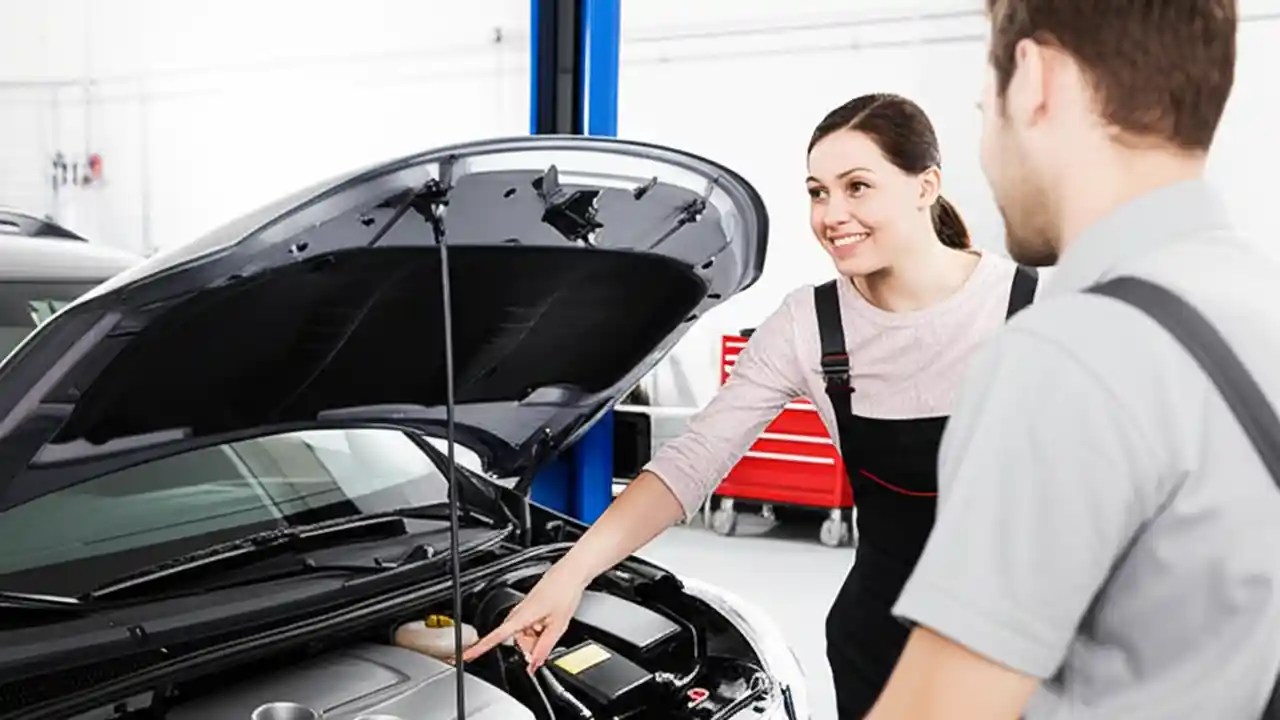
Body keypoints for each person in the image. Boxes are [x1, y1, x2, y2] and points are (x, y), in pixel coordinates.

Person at [463, 92, 1040, 718]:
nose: (832, 214)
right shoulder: (810, 326)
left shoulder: (1032, 305)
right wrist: (569, 576)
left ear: (925, 185)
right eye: (818, 192)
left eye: (857, 187)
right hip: (881, 643)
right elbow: (692, 461)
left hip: (1021, 642)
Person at [865, 2, 1280, 719]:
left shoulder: (1069, 355)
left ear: (1033, 80)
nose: (988, 151)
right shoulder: (1256, 301)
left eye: (983, 111)